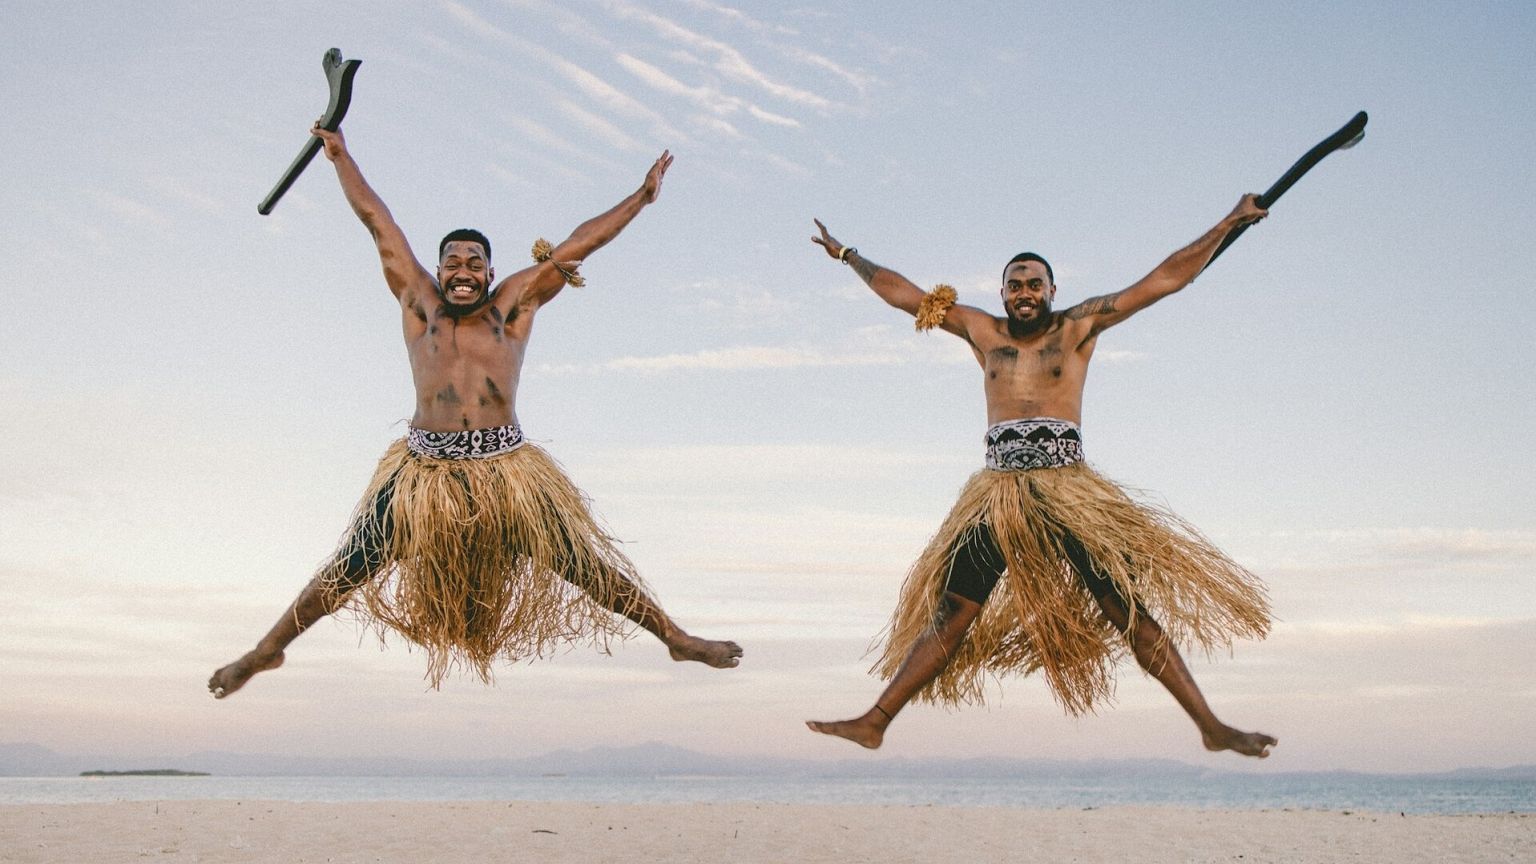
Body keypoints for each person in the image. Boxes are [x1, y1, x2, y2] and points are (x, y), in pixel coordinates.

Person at [209, 124, 741, 699]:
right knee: (349, 566)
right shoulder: (420, 304)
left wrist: (642, 197)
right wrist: (339, 155)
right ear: (439, 272)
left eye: (474, 263)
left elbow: (581, 242)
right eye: (452, 262)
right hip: (424, 475)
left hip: (505, 472)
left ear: (489, 272)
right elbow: (377, 221)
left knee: (584, 566)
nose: (462, 271)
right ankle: (265, 651)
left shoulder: (512, 305)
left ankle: (675, 639)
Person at [804, 197, 1276, 757]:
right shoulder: (981, 329)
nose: (1024, 292)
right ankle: (876, 721)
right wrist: (848, 255)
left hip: (1069, 493)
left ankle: (1211, 727)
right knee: (952, 613)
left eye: (1034, 284)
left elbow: (1165, 279)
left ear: (1052, 289)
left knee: (1125, 609)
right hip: (998, 497)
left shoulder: (1079, 325)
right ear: (1003, 292)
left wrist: (1229, 222)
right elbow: (903, 294)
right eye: (1015, 285)